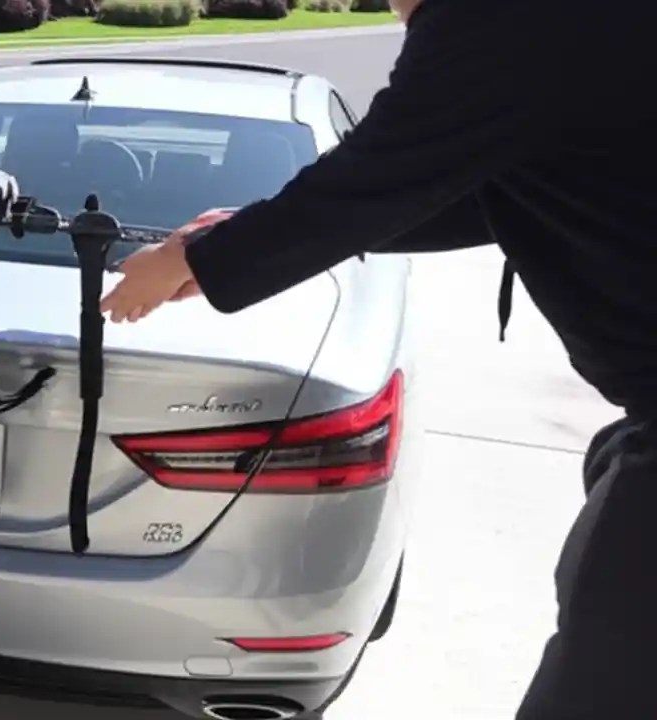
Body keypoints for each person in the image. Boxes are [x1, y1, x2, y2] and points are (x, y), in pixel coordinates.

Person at [99, 0, 657, 717]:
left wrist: (192, 261)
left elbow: (375, 176)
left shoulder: (499, 21)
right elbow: (456, 189)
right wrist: (232, 239)